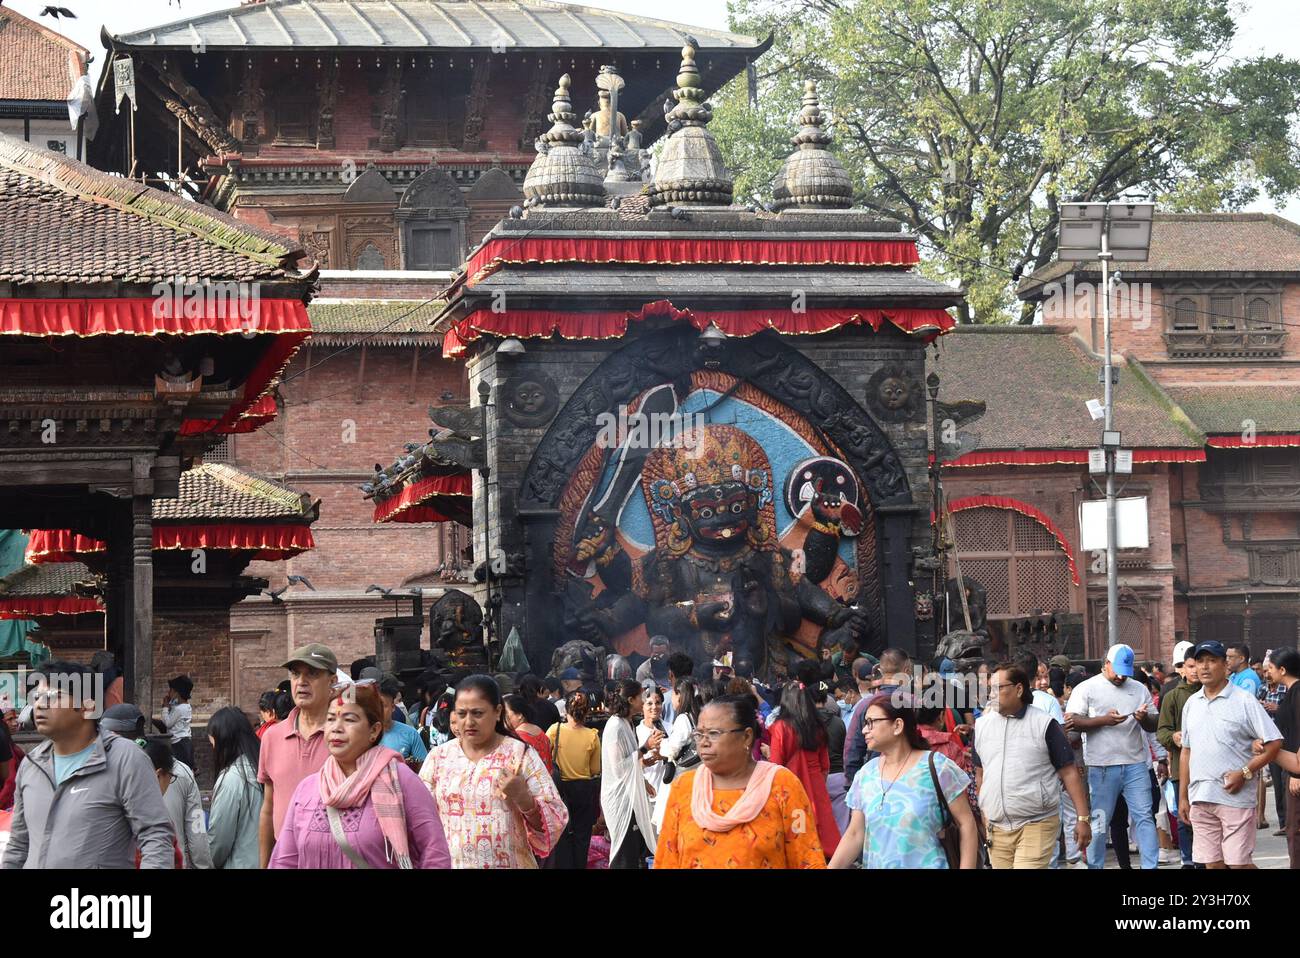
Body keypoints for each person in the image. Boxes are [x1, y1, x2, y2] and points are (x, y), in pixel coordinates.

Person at [2, 661, 174, 869]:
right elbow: (19, 845)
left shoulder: (125, 760)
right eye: (37, 697)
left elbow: (155, 836)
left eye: (53, 696)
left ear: (87, 706)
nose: (39, 704)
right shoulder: (32, 765)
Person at [270, 679, 449, 869]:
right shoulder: (308, 789)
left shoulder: (401, 781)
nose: (336, 728)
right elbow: (284, 860)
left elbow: (435, 854)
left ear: (374, 730)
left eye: (349, 720)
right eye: (330, 719)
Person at [654, 695, 826, 868]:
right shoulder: (684, 787)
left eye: (714, 733)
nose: (704, 743)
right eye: (699, 734)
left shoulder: (784, 786)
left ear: (746, 737)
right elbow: (666, 858)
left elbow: (807, 856)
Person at [421, 675, 567, 868]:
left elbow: (555, 822)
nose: (469, 722)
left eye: (478, 713)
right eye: (461, 714)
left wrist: (525, 800)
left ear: (497, 712)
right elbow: (421, 821)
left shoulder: (519, 755)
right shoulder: (438, 758)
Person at [829, 692, 979, 869]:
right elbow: (855, 834)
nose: (864, 730)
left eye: (871, 722)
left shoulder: (937, 767)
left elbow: (966, 823)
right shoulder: (865, 775)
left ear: (898, 725)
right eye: (864, 723)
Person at [974, 663, 1091, 869]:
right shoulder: (982, 725)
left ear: (1019, 689)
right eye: (988, 689)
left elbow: (1069, 772)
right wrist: (985, 813)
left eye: (997, 688)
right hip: (997, 826)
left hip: (1037, 822)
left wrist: (1082, 818)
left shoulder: (1044, 724)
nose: (991, 694)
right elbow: (980, 774)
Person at [1178, 640, 1281, 869]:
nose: (1204, 667)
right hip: (1200, 796)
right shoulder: (1191, 704)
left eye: (1212, 661)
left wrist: (1245, 772)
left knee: (1238, 865)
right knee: (1213, 864)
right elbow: (1187, 751)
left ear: (1225, 666)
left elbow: (1274, 743)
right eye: (1200, 661)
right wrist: (1183, 797)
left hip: (1235, 797)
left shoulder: (1244, 700)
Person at [1066, 643, 1160, 869]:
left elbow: (1154, 723)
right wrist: (1102, 720)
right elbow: (1071, 722)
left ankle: (1150, 866)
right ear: (1105, 664)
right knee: (1100, 822)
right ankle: (1095, 866)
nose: (1120, 676)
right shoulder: (1087, 688)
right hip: (1102, 766)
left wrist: (1143, 719)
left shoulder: (1139, 688)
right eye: (1116, 670)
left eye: (1125, 672)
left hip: (1136, 764)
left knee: (1145, 817)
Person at [258, 643, 337, 868]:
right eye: (295, 674)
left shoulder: (346, 737)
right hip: (286, 861)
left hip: (334, 858)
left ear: (332, 681)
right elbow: (268, 806)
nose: (301, 681)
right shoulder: (272, 736)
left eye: (312, 673)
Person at [769, 678, 841, 856]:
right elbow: (825, 765)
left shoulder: (781, 727)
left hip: (792, 787)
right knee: (822, 830)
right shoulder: (817, 727)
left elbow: (776, 765)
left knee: (797, 836)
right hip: (816, 785)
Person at [601, 679, 658, 868]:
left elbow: (630, 761)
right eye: (641, 697)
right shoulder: (615, 726)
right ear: (631, 699)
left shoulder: (628, 723)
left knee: (633, 851)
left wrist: (642, 776)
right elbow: (619, 768)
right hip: (619, 799)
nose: (644, 701)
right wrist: (645, 747)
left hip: (630, 794)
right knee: (623, 852)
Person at [545, 690, 601, 869]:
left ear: (566, 711)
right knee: (582, 837)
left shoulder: (555, 730)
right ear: (586, 712)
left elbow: (545, 758)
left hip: (560, 790)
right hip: (584, 791)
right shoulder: (592, 735)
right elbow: (595, 770)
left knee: (562, 836)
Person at [1157, 640, 1200, 868]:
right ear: (1182, 668)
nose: (1195, 671)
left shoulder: (1211, 692)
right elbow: (1161, 731)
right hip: (1180, 767)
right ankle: (1188, 858)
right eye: (1190, 666)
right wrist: (1173, 737)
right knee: (1184, 815)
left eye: (1199, 665)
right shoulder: (1173, 696)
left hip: (1209, 768)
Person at [207, 705, 264, 869]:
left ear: (224, 742)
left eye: (213, 744)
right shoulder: (262, 767)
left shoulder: (232, 779)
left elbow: (219, 840)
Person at [844, 648, 912, 784]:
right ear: (906, 671)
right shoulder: (917, 703)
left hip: (875, 782)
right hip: (911, 779)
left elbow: (853, 749)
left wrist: (856, 784)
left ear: (880, 672)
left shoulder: (865, 705)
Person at [148, 735, 213, 869]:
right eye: (171, 778)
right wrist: (204, 866)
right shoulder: (182, 773)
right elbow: (197, 830)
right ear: (159, 775)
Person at [654, 676, 702, 828]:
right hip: (695, 775)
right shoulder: (697, 717)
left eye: (673, 694)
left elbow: (672, 750)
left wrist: (662, 743)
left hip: (680, 776)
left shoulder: (683, 718)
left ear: (679, 695)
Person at [1262, 652, 1291, 836]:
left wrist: (1277, 709)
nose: (1267, 674)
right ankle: (1283, 822)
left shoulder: (1288, 691)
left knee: (1286, 782)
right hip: (1269, 742)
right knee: (1278, 786)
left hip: (1286, 743)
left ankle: (1291, 821)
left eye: (1270, 669)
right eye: (1265, 671)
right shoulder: (1262, 690)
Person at [378, 674, 428, 768]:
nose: (378, 710)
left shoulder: (410, 734)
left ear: (392, 707)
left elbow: (423, 768)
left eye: (383, 706)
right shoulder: (362, 736)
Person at [502, 693, 553, 773]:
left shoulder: (517, 738)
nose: (501, 718)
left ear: (519, 715)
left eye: (504, 713)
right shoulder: (538, 730)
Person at [637, 682, 668, 807]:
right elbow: (631, 763)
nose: (654, 707)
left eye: (658, 703)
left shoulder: (670, 728)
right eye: (649, 703)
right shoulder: (636, 732)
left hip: (667, 791)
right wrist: (644, 763)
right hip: (647, 792)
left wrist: (664, 756)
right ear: (642, 706)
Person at [158, 675, 194, 769]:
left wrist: (165, 707)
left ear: (177, 693)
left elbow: (168, 723)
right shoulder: (183, 706)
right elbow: (172, 708)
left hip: (179, 743)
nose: (168, 693)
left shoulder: (180, 709)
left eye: (171, 690)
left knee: (180, 767)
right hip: (183, 741)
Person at [0, 708, 23, 811]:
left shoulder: (11, 749)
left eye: (15, 718)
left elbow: (10, 782)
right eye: (10, 719)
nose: (15, 723)